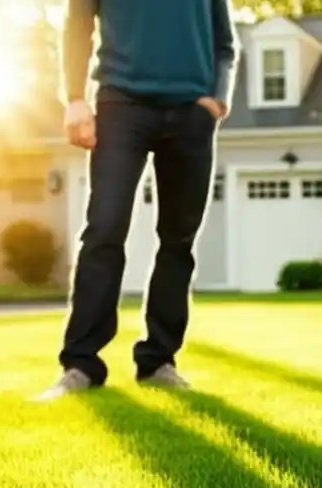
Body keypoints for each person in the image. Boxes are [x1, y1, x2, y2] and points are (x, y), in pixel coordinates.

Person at [38, 0, 238, 400]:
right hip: (122, 104)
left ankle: (158, 361)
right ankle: (81, 364)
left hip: (192, 111)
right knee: (105, 228)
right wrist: (75, 97)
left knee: (178, 240)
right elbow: (78, 22)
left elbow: (224, 43)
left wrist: (217, 97)